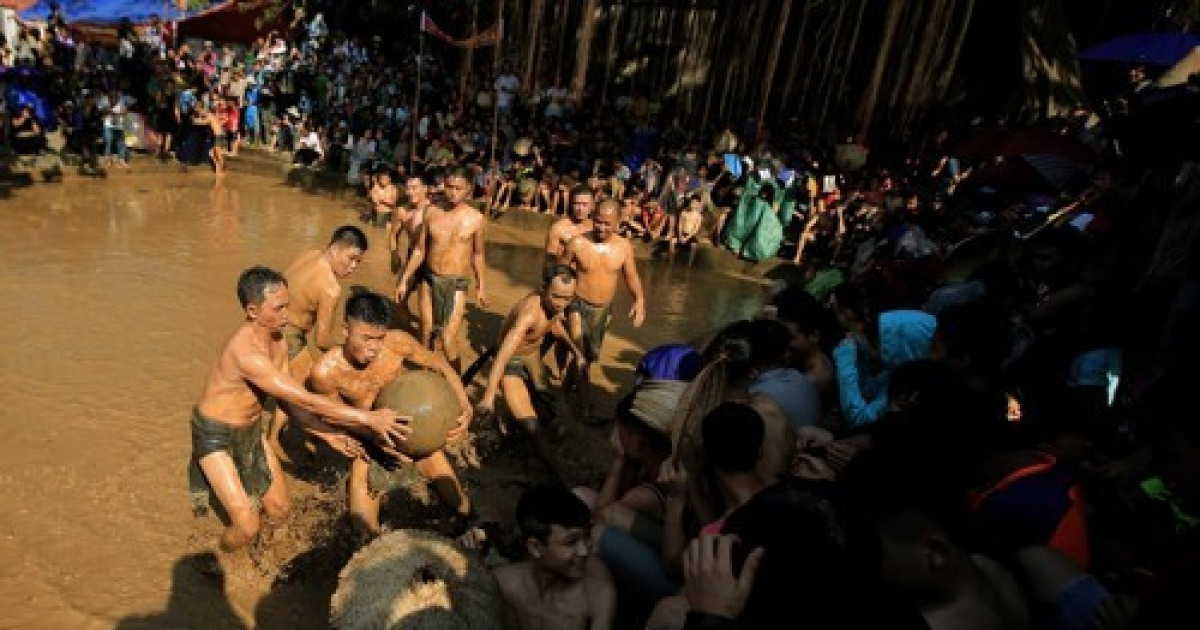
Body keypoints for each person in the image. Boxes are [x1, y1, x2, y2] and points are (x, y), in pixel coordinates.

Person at [189, 266, 409, 554]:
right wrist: (367, 418)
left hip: (251, 430)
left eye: (287, 305)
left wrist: (328, 434)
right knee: (246, 525)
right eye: (278, 309)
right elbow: (306, 399)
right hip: (216, 435)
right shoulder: (246, 353)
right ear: (253, 311)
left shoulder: (278, 341)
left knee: (280, 511)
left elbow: (289, 402)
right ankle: (215, 557)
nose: (286, 316)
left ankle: (260, 557)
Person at [307, 290, 473, 538]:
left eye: (378, 338)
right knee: (363, 532)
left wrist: (465, 406)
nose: (373, 347)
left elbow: (439, 364)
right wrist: (376, 440)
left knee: (462, 508)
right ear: (345, 331)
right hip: (370, 445)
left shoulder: (396, 343)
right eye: (365, 338)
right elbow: (335, 417)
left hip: (416, 434)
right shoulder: (326, 373)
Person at [271, 226, 368, 453]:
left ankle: (283, 440)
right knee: (311, 392)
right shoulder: (331, 288)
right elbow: (322, 341)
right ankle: (294, 443)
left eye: (358, 263)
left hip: (271, 324)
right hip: (290, 335)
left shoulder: (311, 254)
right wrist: (349, 350)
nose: (353, 267)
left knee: (289, 387)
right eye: (351, 259)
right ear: (335, 249)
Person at [556, 200, 646, 419]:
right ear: (592, 218)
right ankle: (586, 408)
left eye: (607, 224)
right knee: (581, 357)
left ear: (618, 222)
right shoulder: (576, 243)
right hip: (577, 303)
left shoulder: (624, 247)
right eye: (597, 222)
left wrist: (640, 301)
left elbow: (631, 275)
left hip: (603, 309)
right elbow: (559, 273)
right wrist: (557, 307)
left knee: (590, 355)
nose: (601, 228)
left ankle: (563, 395)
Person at [396, 170, 489, 373]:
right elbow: (420, 249)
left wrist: (481, 286)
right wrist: (404, 279)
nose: (453, 192)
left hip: (456, 283)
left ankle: (456, 380)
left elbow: (478, 255)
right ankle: (424, 374)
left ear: (468, 190)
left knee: (447, 337)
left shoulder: (476, 219)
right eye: (449, 187)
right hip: (429, 279)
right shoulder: (431, 212)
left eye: (458, 188)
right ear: (443, 186)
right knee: (425, 330)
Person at [476, 265, 585, 436]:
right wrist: (488, 397)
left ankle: (511, 418)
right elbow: (502, 356)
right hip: (511, 359)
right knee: (530, 426)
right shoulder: (529, 315)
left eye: (567, 299)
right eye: (556, 297)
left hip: (532, 356)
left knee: (551, 414)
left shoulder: (556, 306)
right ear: (543, 289)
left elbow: (555, 326)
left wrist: (577, 354)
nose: (560, 304)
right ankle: (504, 423)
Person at [493, 485, 617, 630]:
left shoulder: (597, 595)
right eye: (571, 542)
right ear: (535, 547)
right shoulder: (501, 586)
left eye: (587, 535)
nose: (584, 551)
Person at [387, 175, 431, 277]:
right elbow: (393, 235)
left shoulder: (433, 210)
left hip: (431, 259)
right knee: (400, 291)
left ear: (425, 189)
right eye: (408, 188)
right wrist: (394, 255)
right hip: (412, 255)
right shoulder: (401, 211)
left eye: (414, 188)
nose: (410, 192)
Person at [545, 186, 595, 274]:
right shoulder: (559, 228)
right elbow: (549, 260)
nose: (580, 209)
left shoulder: (596, 229)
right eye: (576, 203)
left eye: (584, 204)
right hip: (564, 275)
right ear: (571, 204)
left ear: (592, 206)